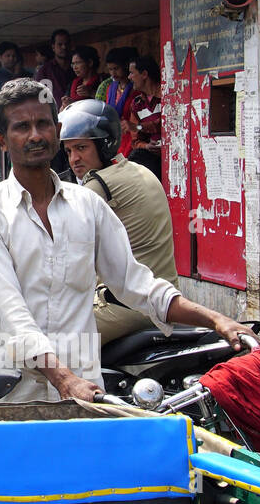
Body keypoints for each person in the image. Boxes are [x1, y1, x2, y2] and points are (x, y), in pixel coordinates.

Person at [0, 79, 253, 402]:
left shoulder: (88, 206)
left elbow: (136, 283)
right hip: (14, 391)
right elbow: (8, 310)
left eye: (43, 124)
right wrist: (63, 379)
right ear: (2, 141)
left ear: (56, 130)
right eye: (22, 127)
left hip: (85, 390)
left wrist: (217, 319)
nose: (35, 135)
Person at [59, 99, 179, 346]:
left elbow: (65, 246)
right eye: (69, 151)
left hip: (131, 303)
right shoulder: (136, 168)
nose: (74, 159)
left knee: (48, 348)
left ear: (105, 144)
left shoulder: (98, 186)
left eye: (82, 148)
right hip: (162, 293)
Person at [126, 55, 162, 178]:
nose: (129, 77)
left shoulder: (168, 94)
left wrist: (139, 126)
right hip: (153, 159)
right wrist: (147, 146)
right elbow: (135, 141)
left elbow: (165, 123)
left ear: (144, 74)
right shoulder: (137, 104)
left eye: (131, 73)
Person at [97, 47, 136, 156]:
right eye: (110, 69)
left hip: (130, 136)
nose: (113, 73)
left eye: (116, 68)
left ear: (126, 66)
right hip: (115, 137)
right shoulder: (110, 88)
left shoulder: (135, 88)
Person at [34, 29, 74, 106]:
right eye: (60, 44)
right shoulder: (45, 71)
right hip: (56, 115)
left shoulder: (78, 67)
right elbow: (42, 99)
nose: (64, 47)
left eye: (66, 44)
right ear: (53, 47)